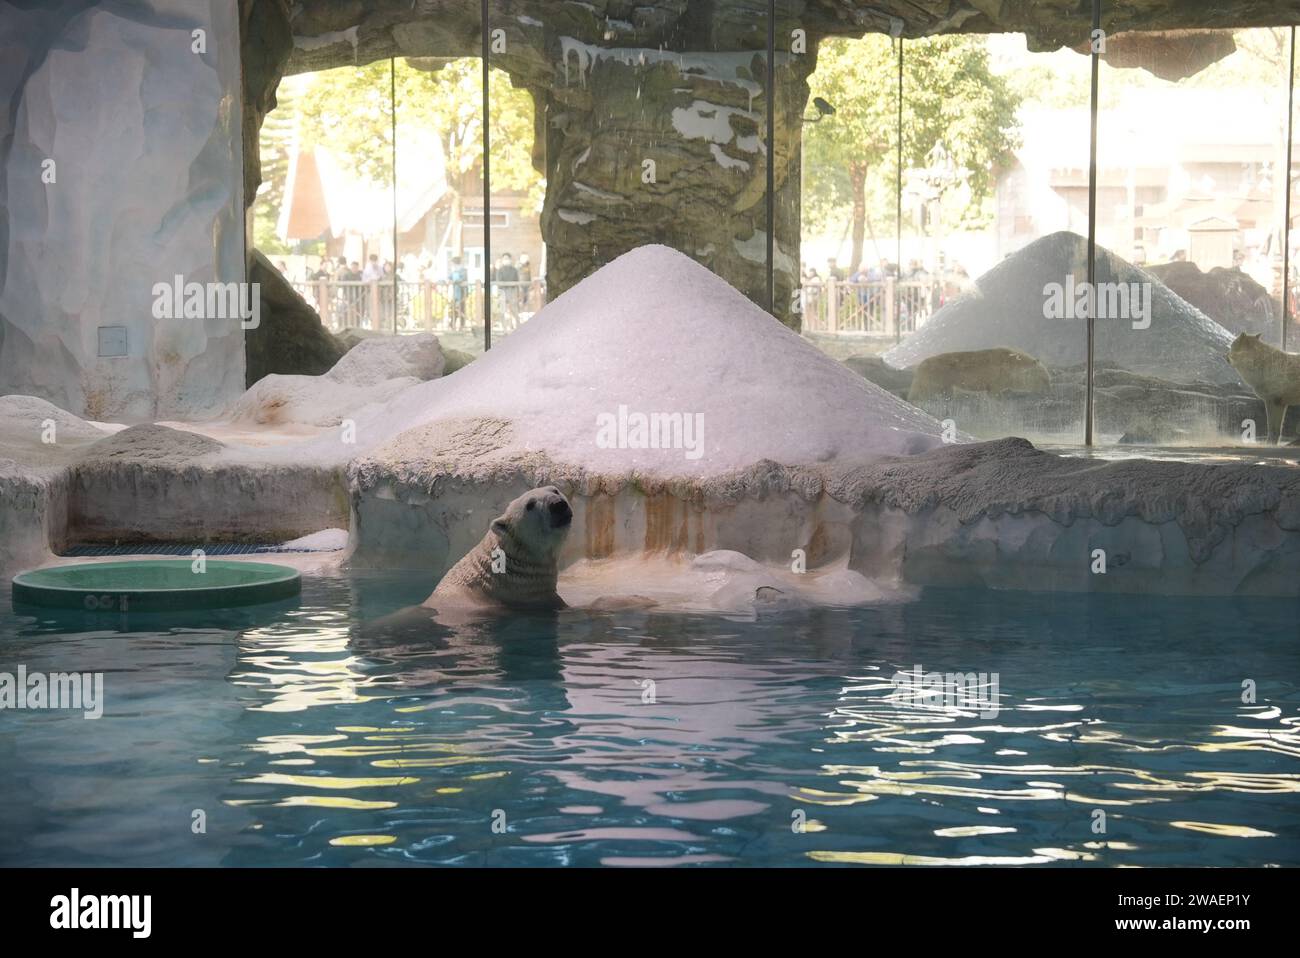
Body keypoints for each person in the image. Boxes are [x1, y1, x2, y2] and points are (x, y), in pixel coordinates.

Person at [496, 253, 520, 329]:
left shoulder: (514, 270)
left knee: (514, 310)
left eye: (507, 258)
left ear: (510, 259)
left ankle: (518, 326)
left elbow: (516, 281)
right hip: (503, 291)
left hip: (512, 291)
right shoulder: (500, 270)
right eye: (504, 258)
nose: (506, 260)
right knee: (502, 310)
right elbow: (499, 282)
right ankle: (504, 328)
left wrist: (517, 292)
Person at [448, 255, 468, 330]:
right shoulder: (454, 271)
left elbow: (462, 279)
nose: (452, 266)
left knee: (461, 308)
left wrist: (454, 281)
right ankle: (452, 324)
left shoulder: (463, 270)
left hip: (462, 292)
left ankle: (462, 326)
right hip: (455, 293)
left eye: (453, 264)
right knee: (454, 308)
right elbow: (449, 278)